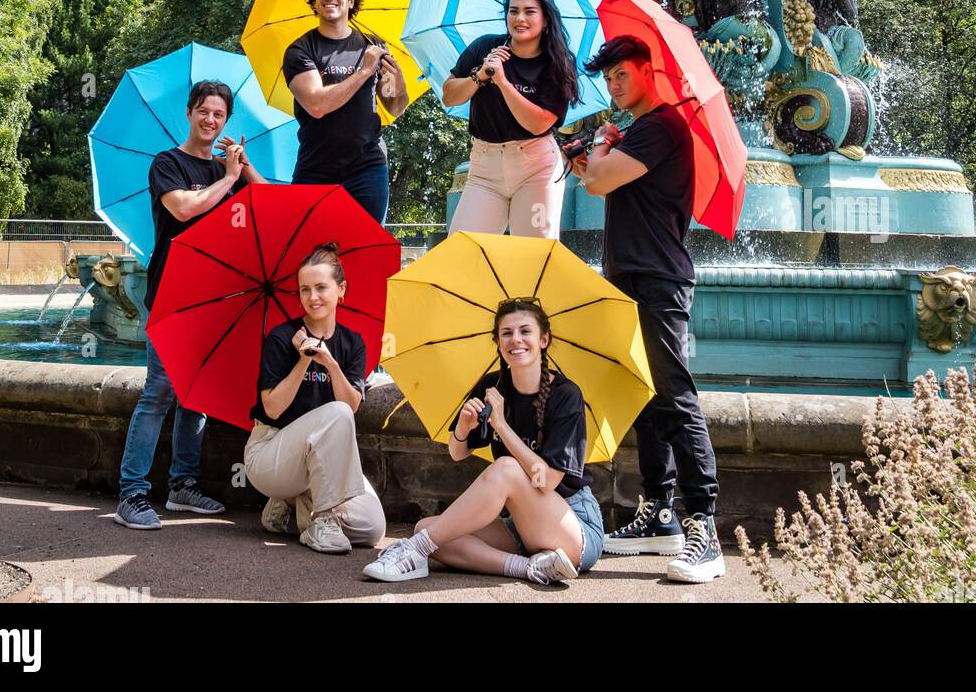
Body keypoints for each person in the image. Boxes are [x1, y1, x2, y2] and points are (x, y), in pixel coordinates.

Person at [572, 34, 725, 583]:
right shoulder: (638, 131)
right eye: (608, 79)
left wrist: (599, 149)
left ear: (648, 72)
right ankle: (659, 512)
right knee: (644, 395)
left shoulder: (661, 126)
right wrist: (594, 154)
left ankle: (703, 524)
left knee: (675, 393)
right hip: (628, 275)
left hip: (659, 278)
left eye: (622, 76)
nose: (614, 86)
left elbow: (599, 181)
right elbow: (598, 179)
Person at [361, 298, 603, 585]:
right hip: (522, 526)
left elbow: (546, 480)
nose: (516, 340)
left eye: (525, 331)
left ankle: (414, 552)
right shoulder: (492, 387)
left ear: (544, 339)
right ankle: (527, 568)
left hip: (572, 527)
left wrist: (501, 424)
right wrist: (463, 428)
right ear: (498, 342)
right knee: (426, 526)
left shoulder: (565, 395)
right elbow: (457, 453)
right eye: (506, 333)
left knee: (506, 469)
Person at [115, 80, 267, 530]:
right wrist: (226, 179)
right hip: (171, 294)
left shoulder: (230, 171)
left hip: (214, 297)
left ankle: (182, 486)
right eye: (204, 111)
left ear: (227, 121)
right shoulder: (168, 163)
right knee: (159, 393)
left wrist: (243, 167)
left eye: (219, 115)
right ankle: (132, 492)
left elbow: (266, 201)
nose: (210, 120)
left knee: (196, 396)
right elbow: (184, 209)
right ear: (189, 112)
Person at [244, 243, 386, 554]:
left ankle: (295, 503)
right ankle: (319, 521)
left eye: (321, 287)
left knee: (372, 526)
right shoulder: (281, 338)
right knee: (334, 414)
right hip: (271, 453)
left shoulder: (352, 344)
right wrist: (304, 358)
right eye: (305, 289)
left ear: (341, 289)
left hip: (323, 459)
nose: (313, 297)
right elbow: (272, 407)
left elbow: (350, 407)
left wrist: (330, 363)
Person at [441, 0, 578, 239]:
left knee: (533, 255)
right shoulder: (485, 48)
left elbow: (538, 124)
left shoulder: (557, 64)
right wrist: (480, 76)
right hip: (485, 165)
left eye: (530, 11)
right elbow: (449, 96)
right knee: (463, 249)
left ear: (546, 19)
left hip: (537, 168)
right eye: (513, 11)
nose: (520, 18)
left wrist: (503, 83)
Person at [283, 0, 409, 224]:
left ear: (351, 1)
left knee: (365, 253)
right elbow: (316, 104)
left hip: (368, 167)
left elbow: (395, 107)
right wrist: (363, 71)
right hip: (315, 168)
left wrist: (397, 80)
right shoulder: (299, 50)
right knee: (308, 254)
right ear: (315, 1)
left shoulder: (374, 45)